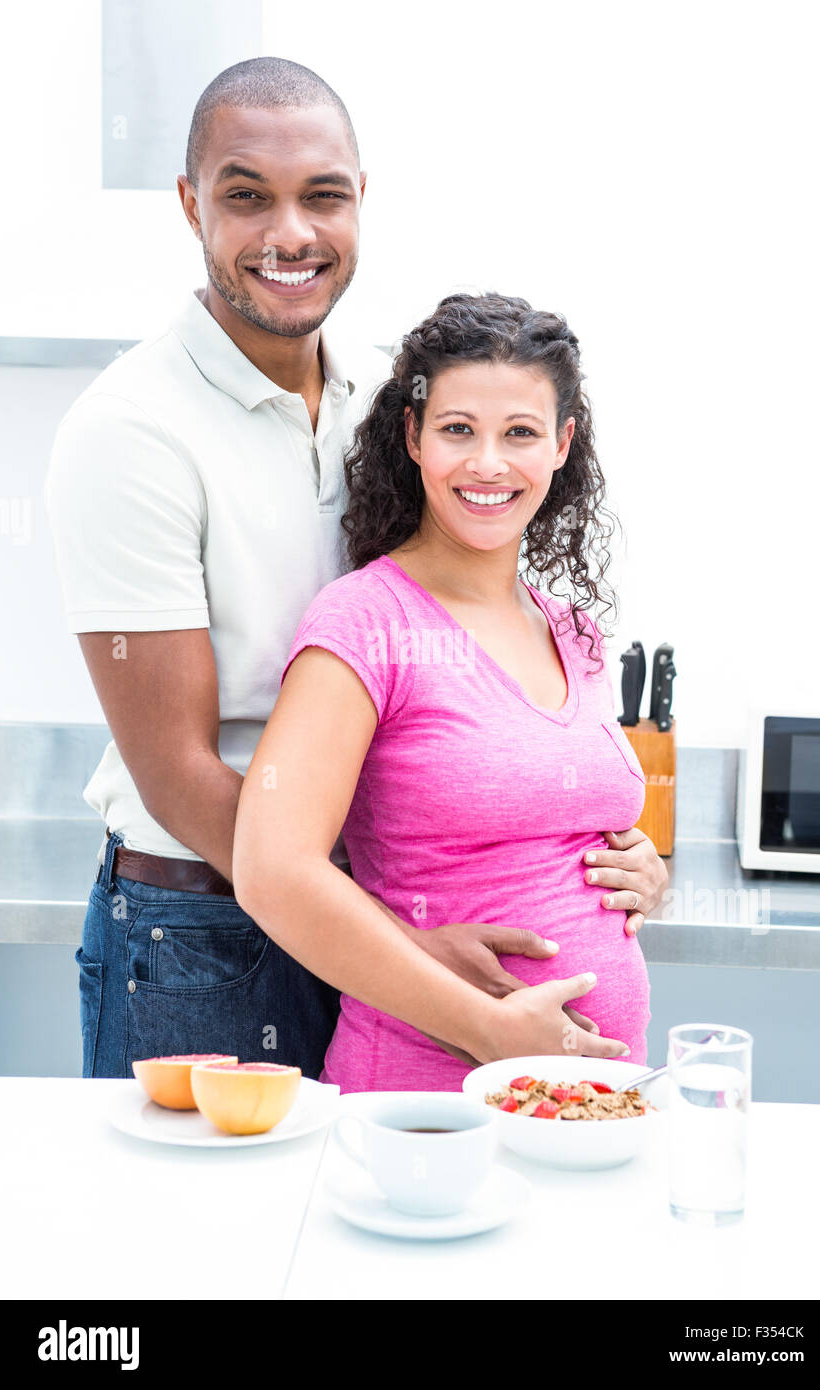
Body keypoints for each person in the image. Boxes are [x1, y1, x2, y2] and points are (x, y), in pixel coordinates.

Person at [45, 55, 666, 1080]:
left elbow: (452, 655)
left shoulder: (390, 393)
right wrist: (391, 940)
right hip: (204, 927)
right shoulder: (129, 431)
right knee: (202, 1240)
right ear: (191, 203)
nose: (289, 233)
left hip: (361, 916)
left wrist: (606, 845)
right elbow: (179, 770)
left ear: (360, 201)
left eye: (321, 196)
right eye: (246, 197)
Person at [232, 290, 659, 1092]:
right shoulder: (367, 620)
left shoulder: (573, 629)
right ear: (413, 435)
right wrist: (489, 1029)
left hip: (593, 1104)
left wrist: (642, 871)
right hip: (426, 1101)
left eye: (521, 433)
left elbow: (561, 831)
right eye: (458, 429)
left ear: (563, 445)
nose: (488, 464)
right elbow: (272, 868)